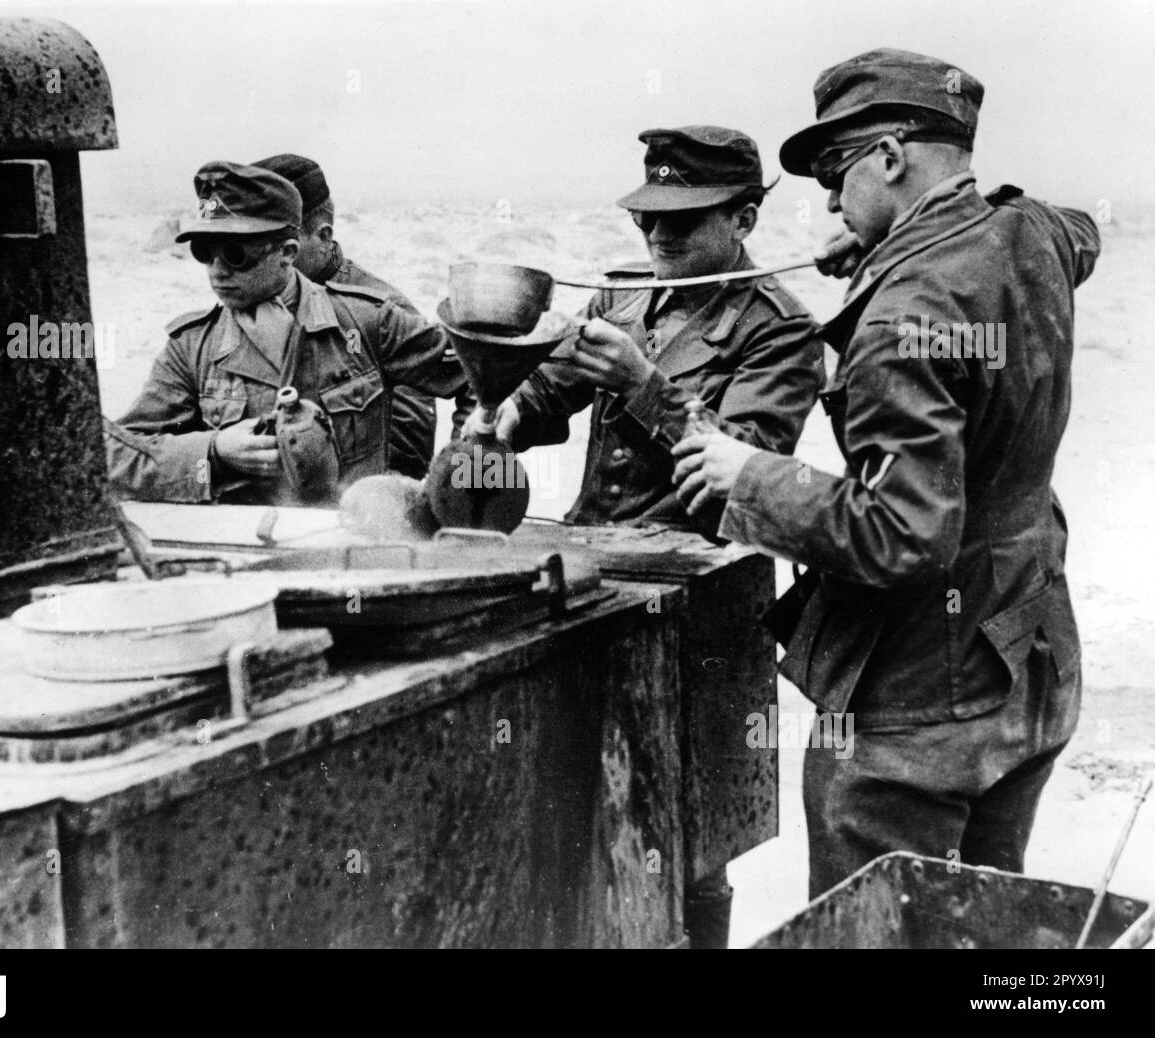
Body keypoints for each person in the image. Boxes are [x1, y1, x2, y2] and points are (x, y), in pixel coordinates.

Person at [671, 50, 1100, 896]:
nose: (829, 199)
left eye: (837, 172)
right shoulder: (1034, 235)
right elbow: (1078, 227)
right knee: (985, 921)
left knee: (878, 923)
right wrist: (889, 237)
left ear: (893, 158)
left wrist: (749, 474)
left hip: (917, 712)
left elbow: (903, 535)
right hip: (1030, 659)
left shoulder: (905, 318)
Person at [467, 126, 825, 532]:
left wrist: (641, 384)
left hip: (695, 562)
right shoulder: (620, 297)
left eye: (681, 220)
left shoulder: (782, 330)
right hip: (590, 537)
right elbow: (549, 387)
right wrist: (513, 406)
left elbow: (750, 470)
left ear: (742, 222)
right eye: (647, 217)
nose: (658, 235)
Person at [106, 161, 465, 504]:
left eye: (235, 254)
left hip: (354, 545)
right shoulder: (192, 347)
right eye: (205, 252)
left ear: (287, 252)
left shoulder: (367, 320)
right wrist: (214, 451)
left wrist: (454, 481)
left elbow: (481, 373)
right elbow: (117, 454)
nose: (217, 272)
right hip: (242, 548)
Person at [252, 152, 442, 480]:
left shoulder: (382, 312)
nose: (265, 259)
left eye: (281, 245)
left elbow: (407, 452)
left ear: (323, 237)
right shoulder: (253, 303)